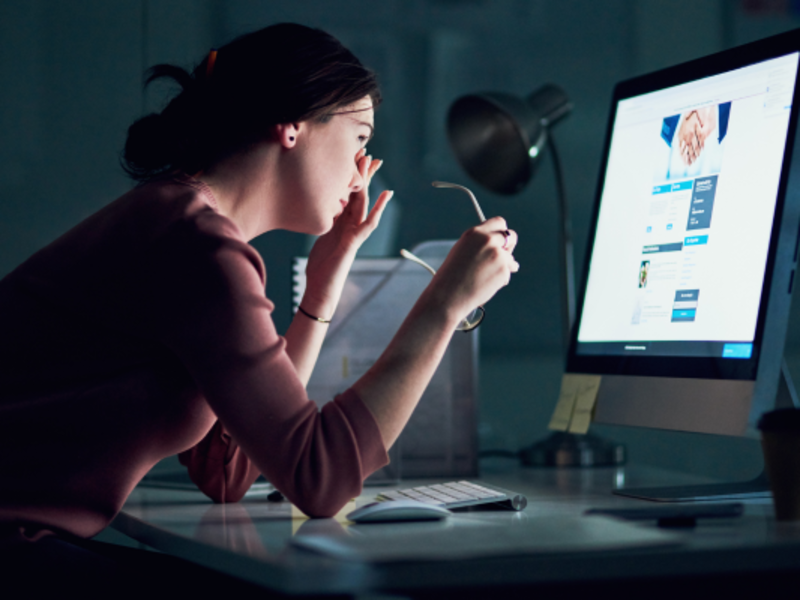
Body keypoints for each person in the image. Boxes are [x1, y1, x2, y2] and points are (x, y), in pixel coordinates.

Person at [0, 22, 518, 585]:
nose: (361, 169)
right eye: (361, 138)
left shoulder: (181, 224)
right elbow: (321, 480)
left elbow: (230, 469)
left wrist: (323, 282)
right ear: (293, 125)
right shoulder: (197, 247)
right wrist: (443, 303)